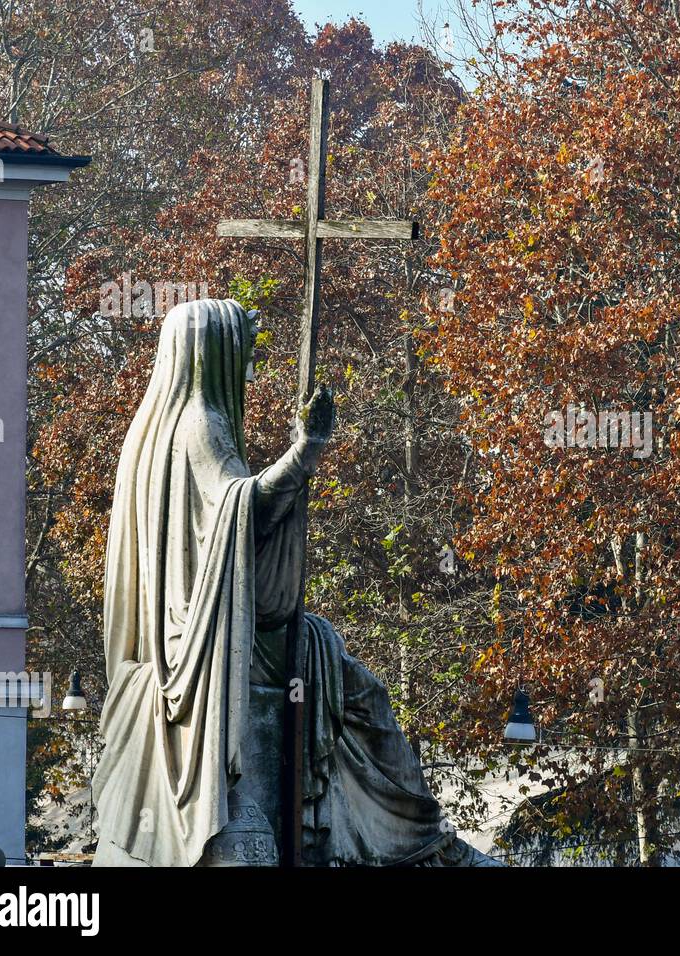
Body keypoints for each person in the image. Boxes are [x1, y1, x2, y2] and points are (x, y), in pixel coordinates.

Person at [92, 298, 494, 866]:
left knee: (329, 657)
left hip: (205, 626)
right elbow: (243, 508)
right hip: (213, 641)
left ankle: (391, 832)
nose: (252, 367)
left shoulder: (151, 429)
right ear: (216, 351)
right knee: (356, 689)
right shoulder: (199, 425)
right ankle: (417, 839)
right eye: (247, 352)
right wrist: (307, 450)